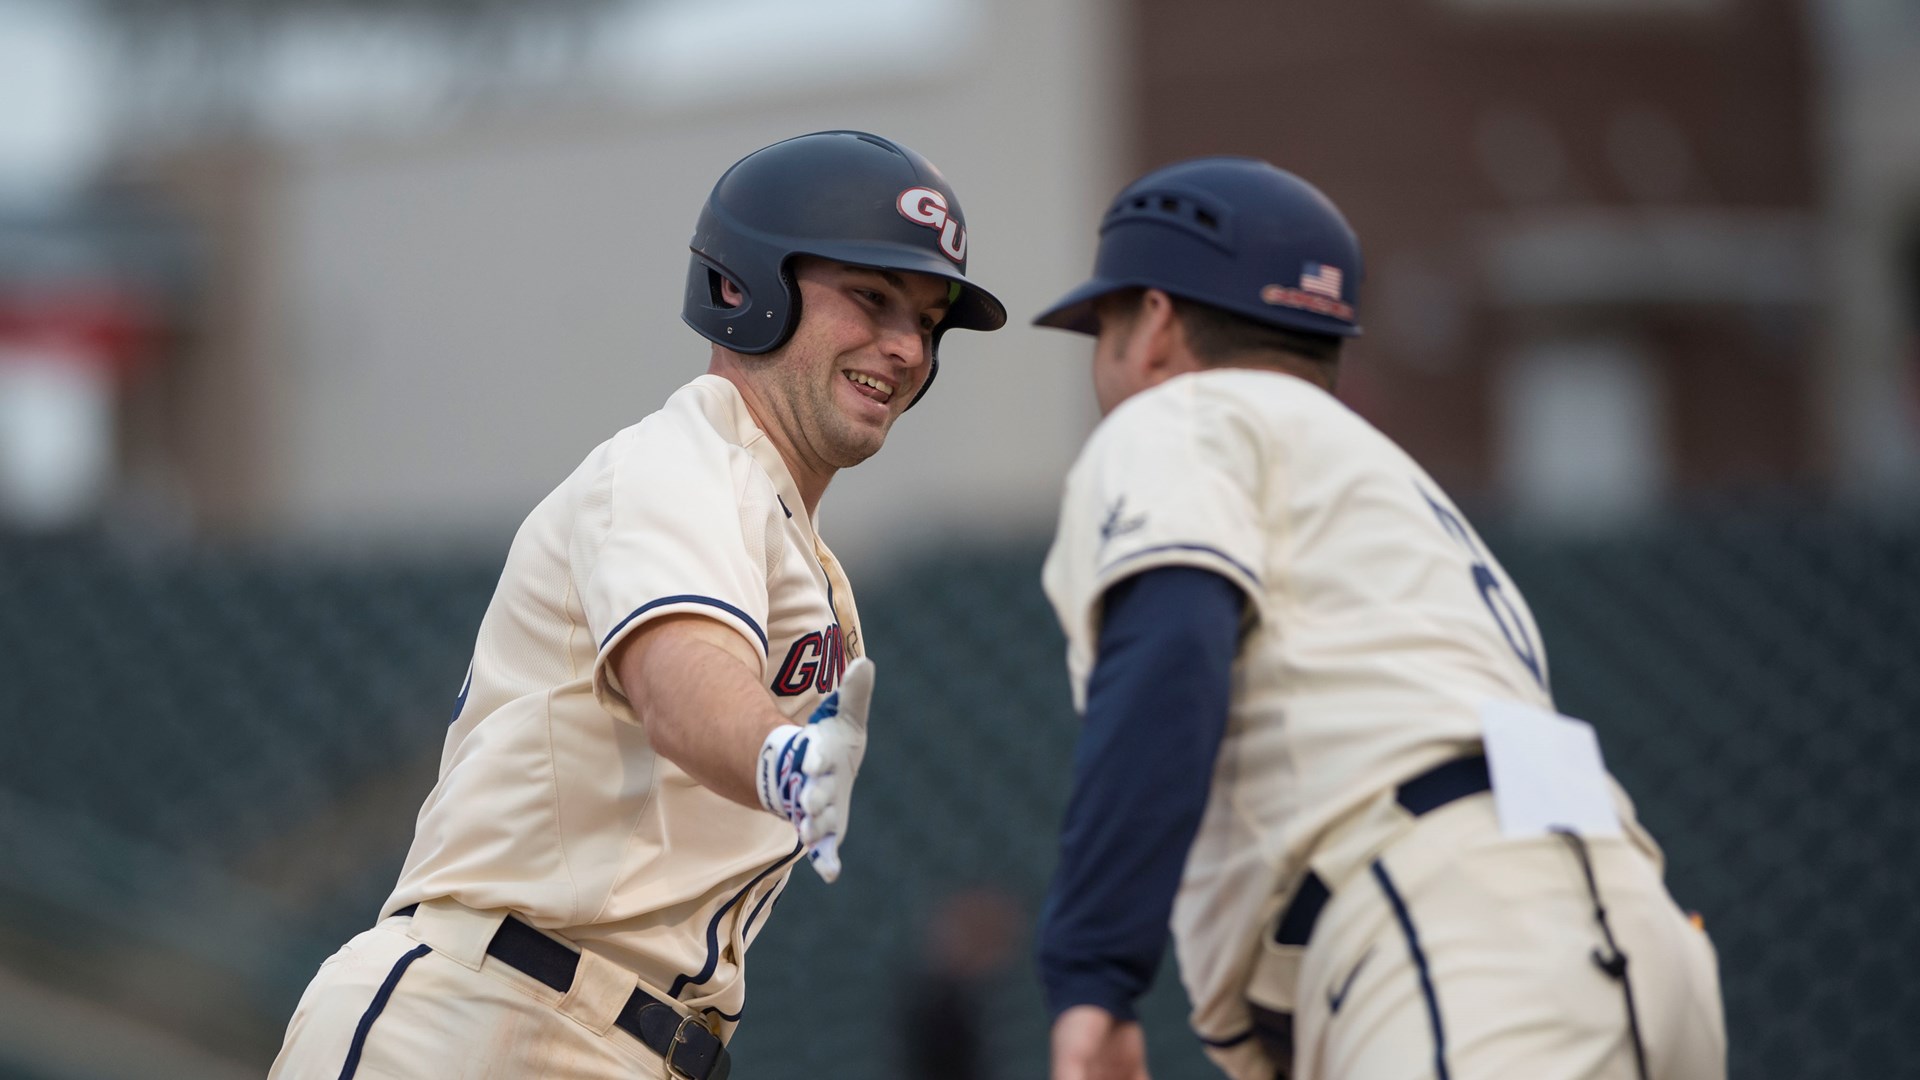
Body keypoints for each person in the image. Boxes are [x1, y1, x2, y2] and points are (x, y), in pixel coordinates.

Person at [269, 130, 1005, 1080]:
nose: (906, 345)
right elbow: (680, 678)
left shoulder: (796, 547)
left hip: (609, 1038)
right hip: (481, 1019)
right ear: (745, 287)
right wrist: (782, 758)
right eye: (871, 298)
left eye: (928, 319)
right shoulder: (678, 463)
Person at [1028, 157, 1725, 1080]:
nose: (1103, 363)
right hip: (1635, 941)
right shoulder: (1401, 500)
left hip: (1461, 941)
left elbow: (1172, 652)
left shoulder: (1182, 416)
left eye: (1103, 327)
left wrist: (1095, 978)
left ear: (1154, 323)